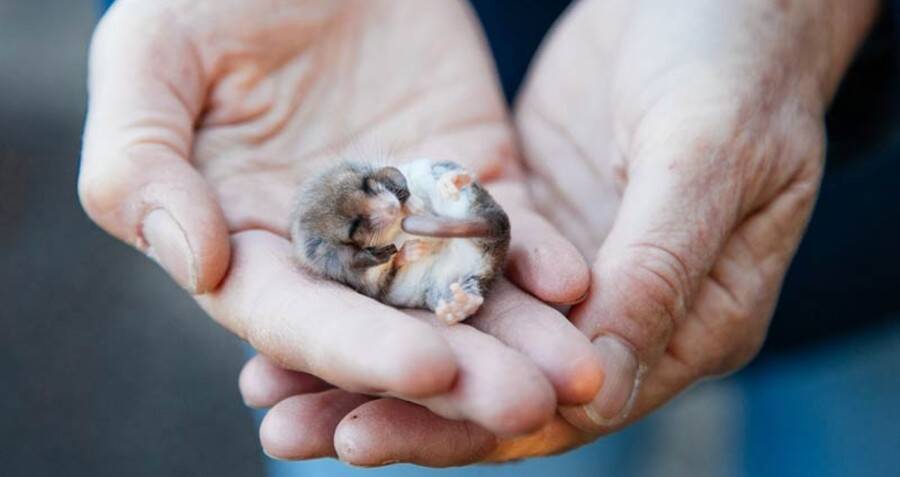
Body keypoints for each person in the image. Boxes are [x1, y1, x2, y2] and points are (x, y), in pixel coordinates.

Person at [84, 0, 899, 475]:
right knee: (481, 415)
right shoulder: (373, 240)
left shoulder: (417, 196)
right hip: (398, 108)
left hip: (864, 243)